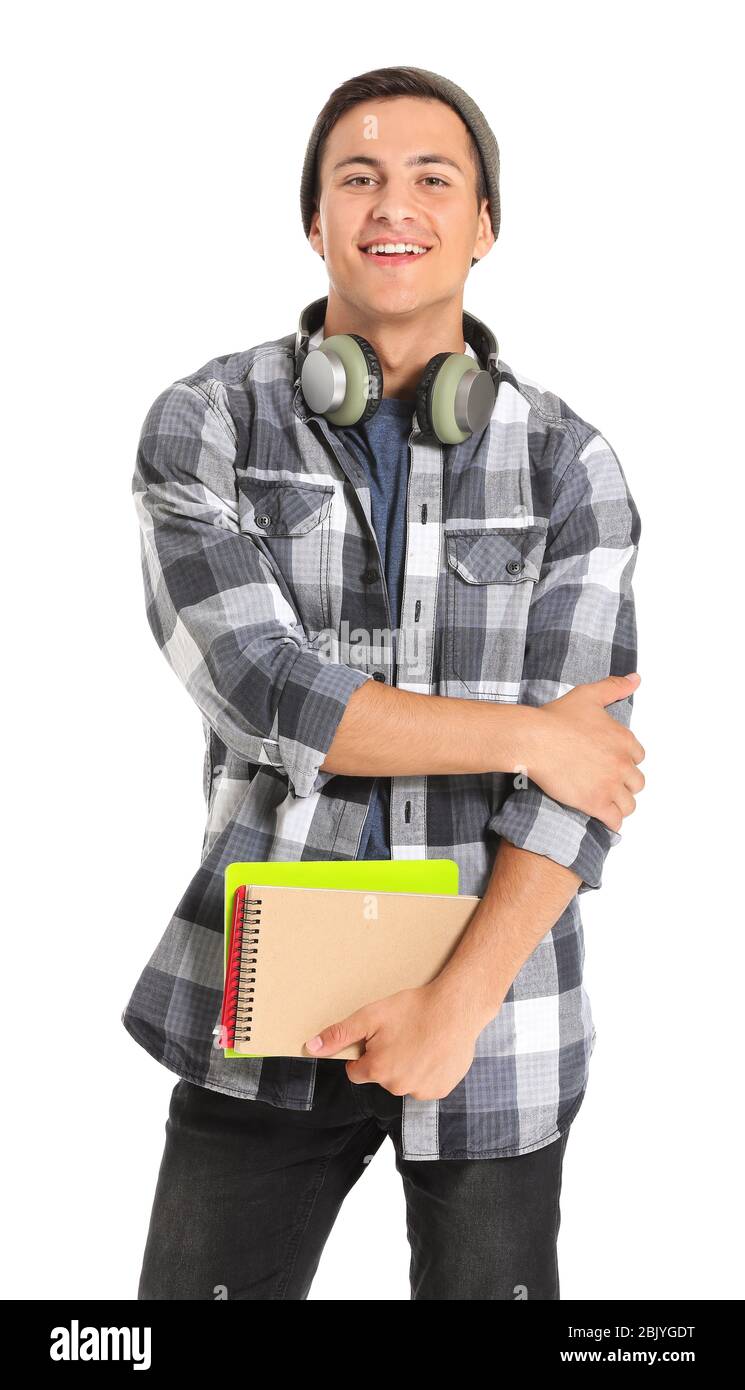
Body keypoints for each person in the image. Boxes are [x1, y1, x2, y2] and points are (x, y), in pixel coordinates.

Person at [126, 65, 645, 1301]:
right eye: (357, 177)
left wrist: (453, 1006)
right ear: (315, 219)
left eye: (432, 178)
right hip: (262, 1018)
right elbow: (262, 688)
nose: (391, 205)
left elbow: (583, 785)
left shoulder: (575, 465)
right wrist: (531, 734)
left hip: (496, 1021)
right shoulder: (204, 424)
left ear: (484, 225)